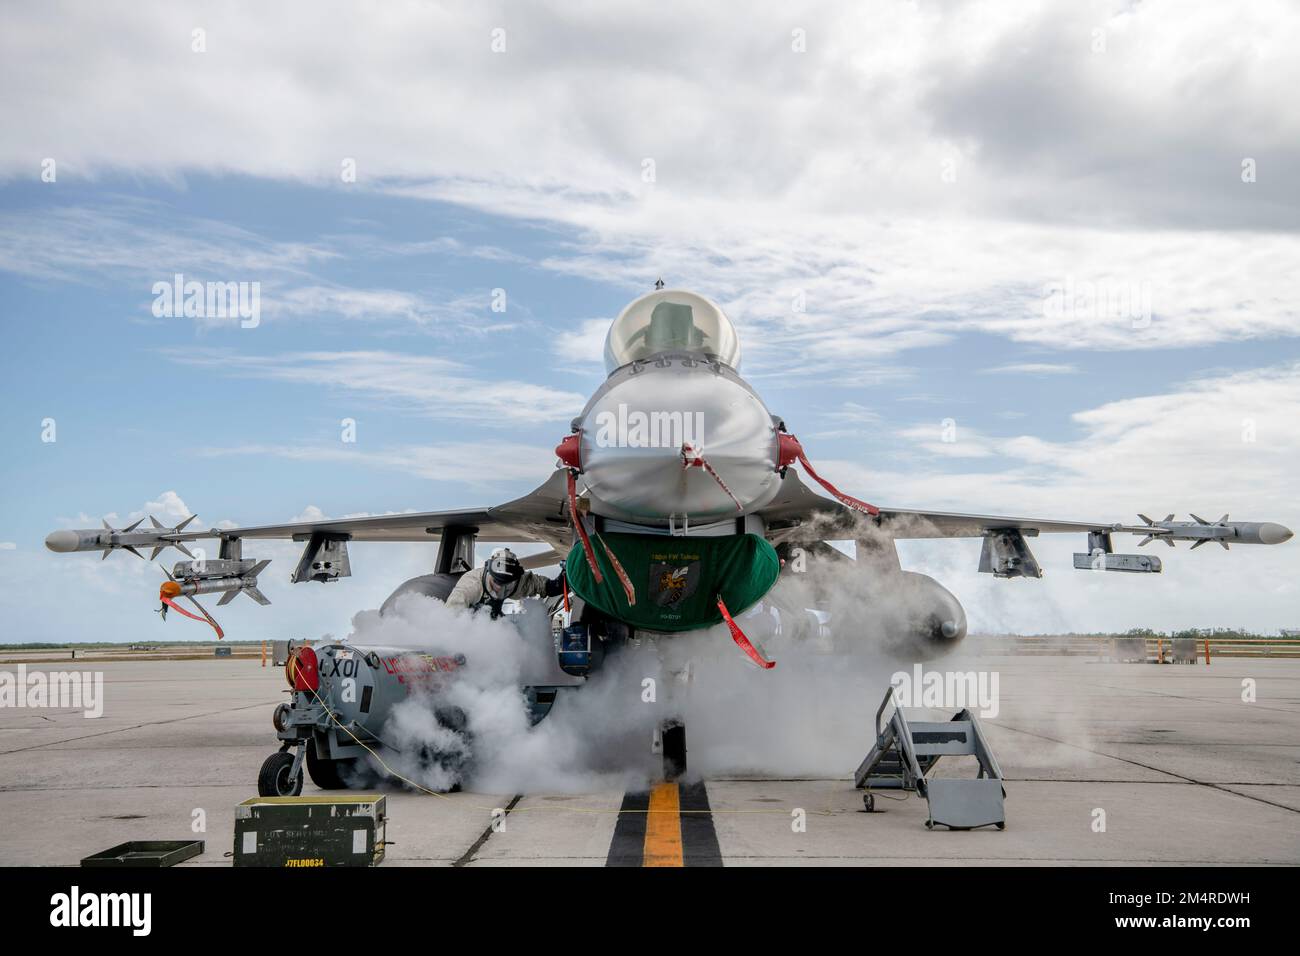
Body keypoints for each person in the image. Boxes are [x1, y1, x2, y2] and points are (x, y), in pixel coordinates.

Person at [445, 547, 565, 619]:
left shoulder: (519, 581)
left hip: (495, 624)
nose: (499, 588)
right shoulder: (471, 585)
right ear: (489, 572)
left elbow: (552, 588)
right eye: (496, 581)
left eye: (506, 584)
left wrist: (567, 571)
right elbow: (450, 619)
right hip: (468, 626)